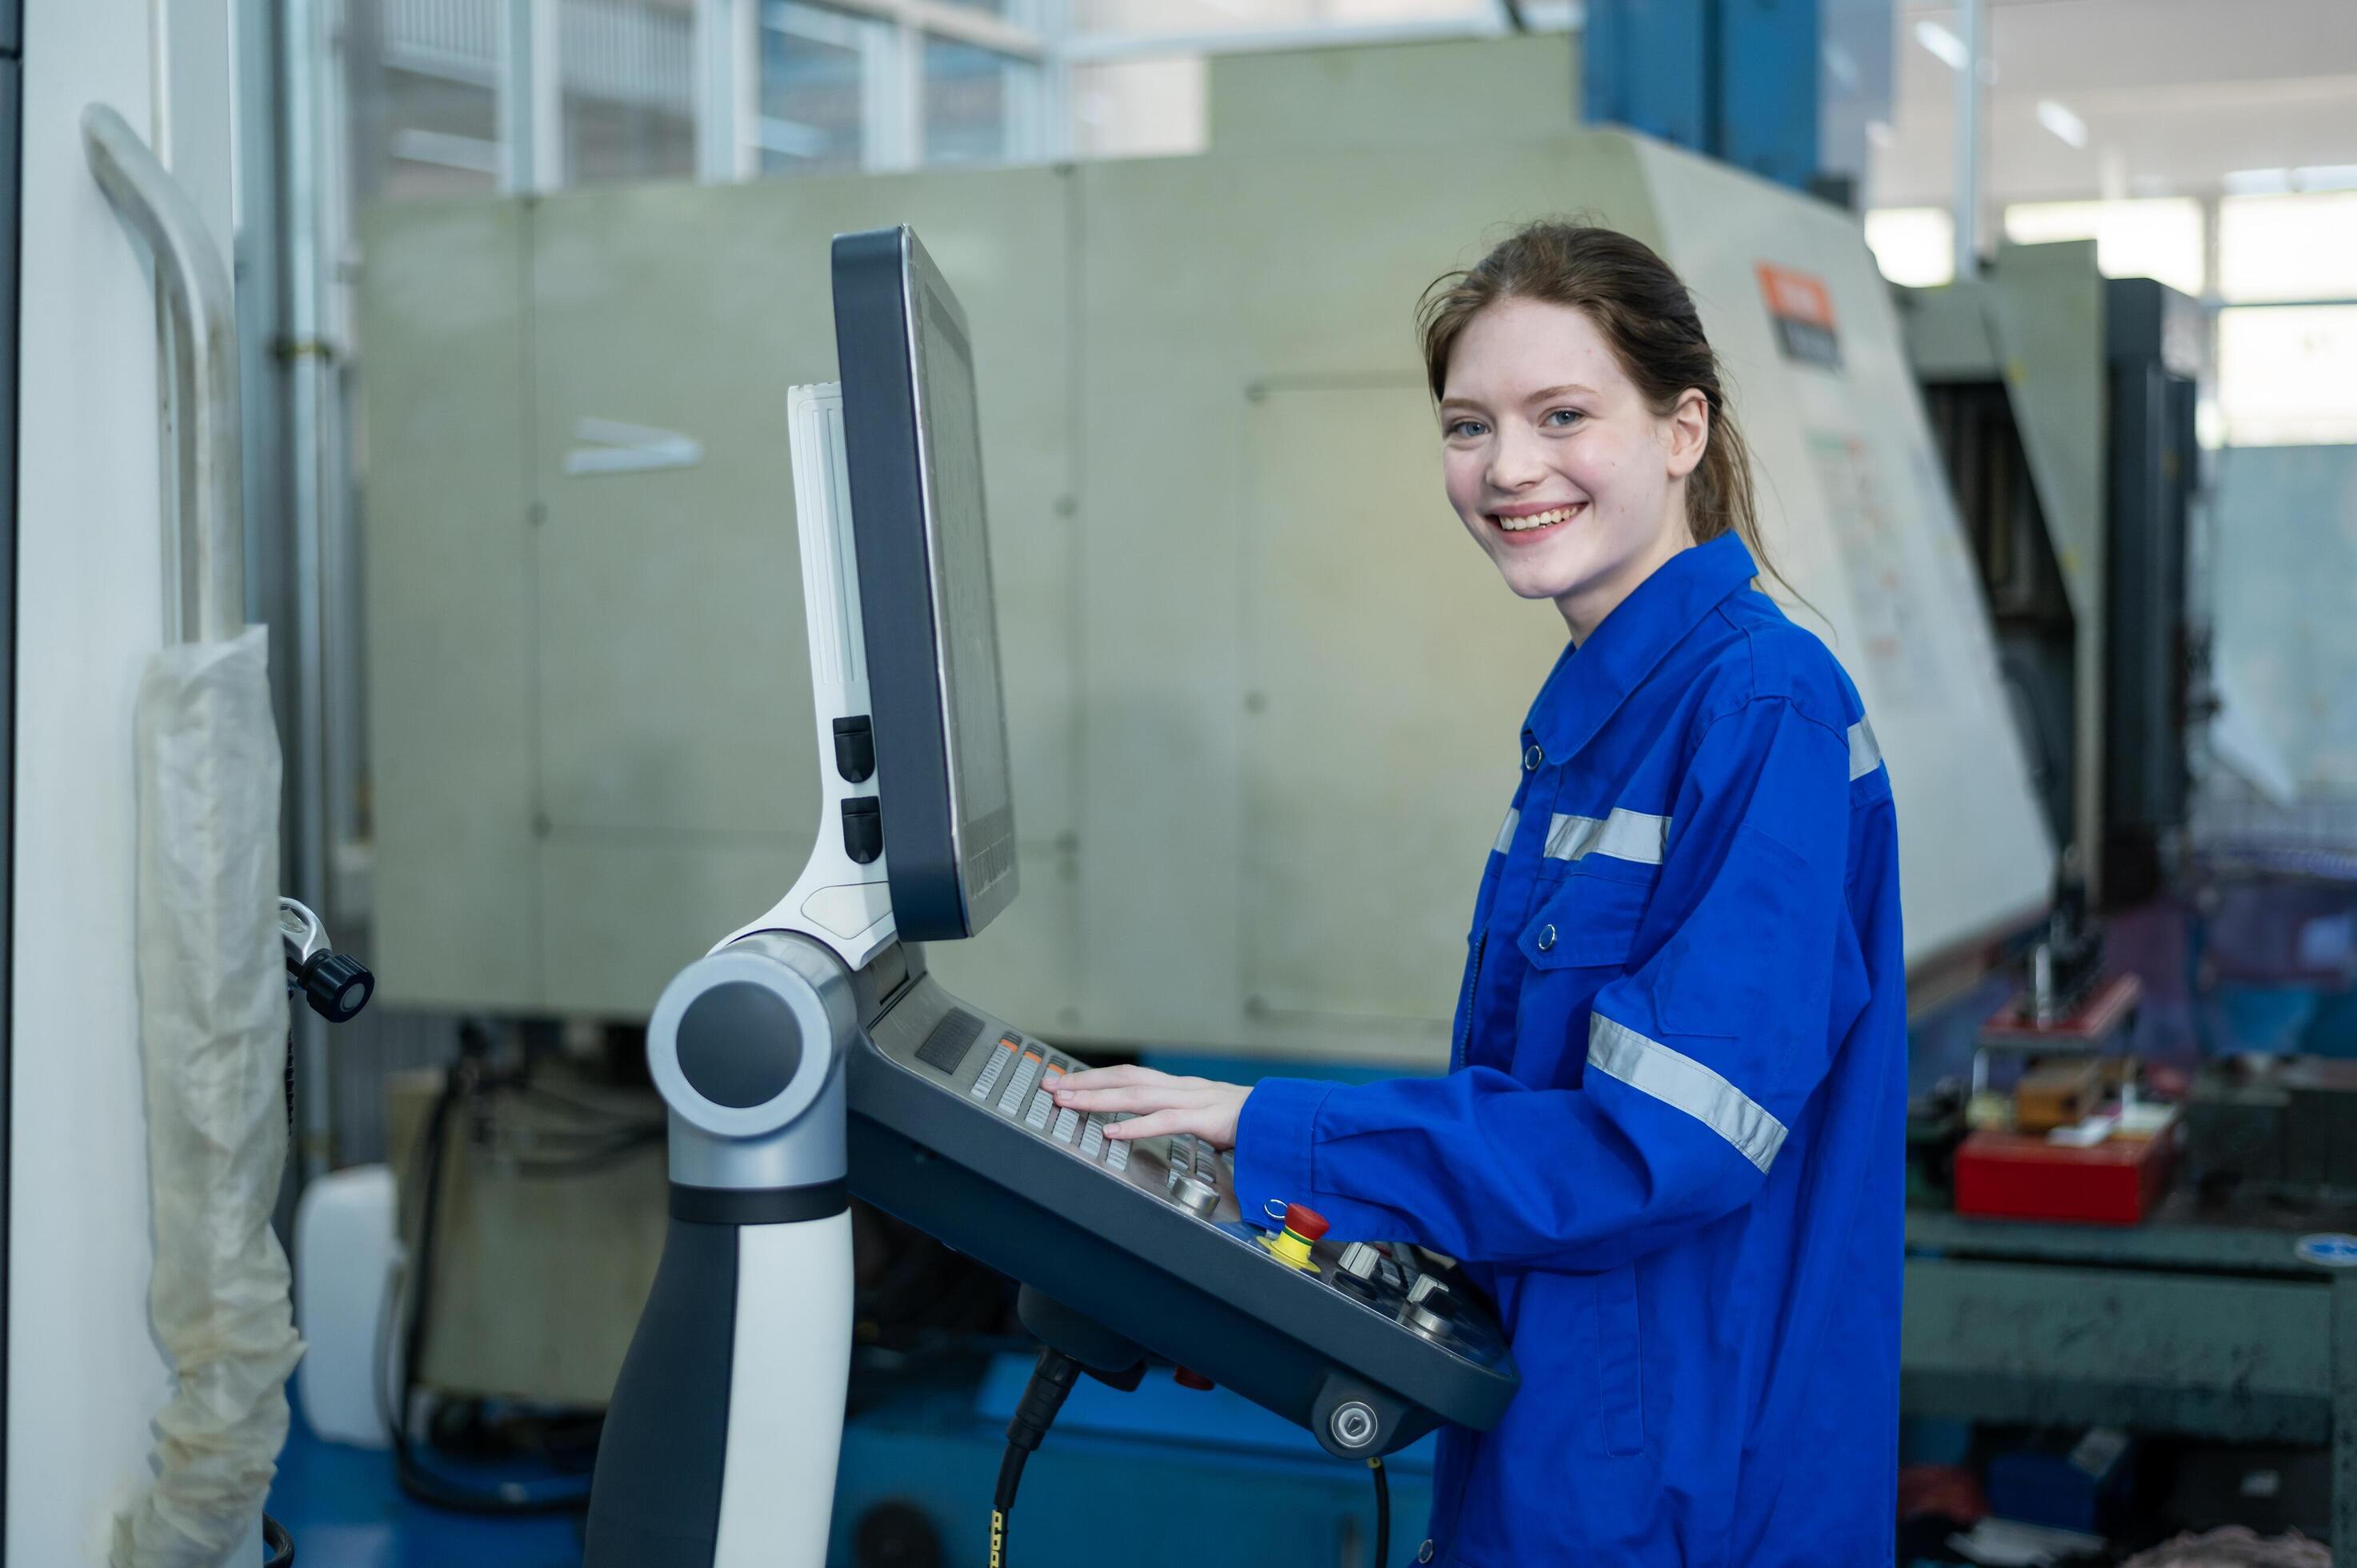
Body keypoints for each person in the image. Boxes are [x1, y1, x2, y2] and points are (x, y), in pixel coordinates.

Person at [1052, 219, 1907, 1566]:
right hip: (1575, 1438)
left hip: (1679, 1489)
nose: (1508, 469)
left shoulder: (1756, 706)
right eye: (1467, 426)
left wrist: (1283, 1136)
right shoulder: (1604, 718)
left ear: (1682, 431)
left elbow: (1652, 1149)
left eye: (1562, 415)